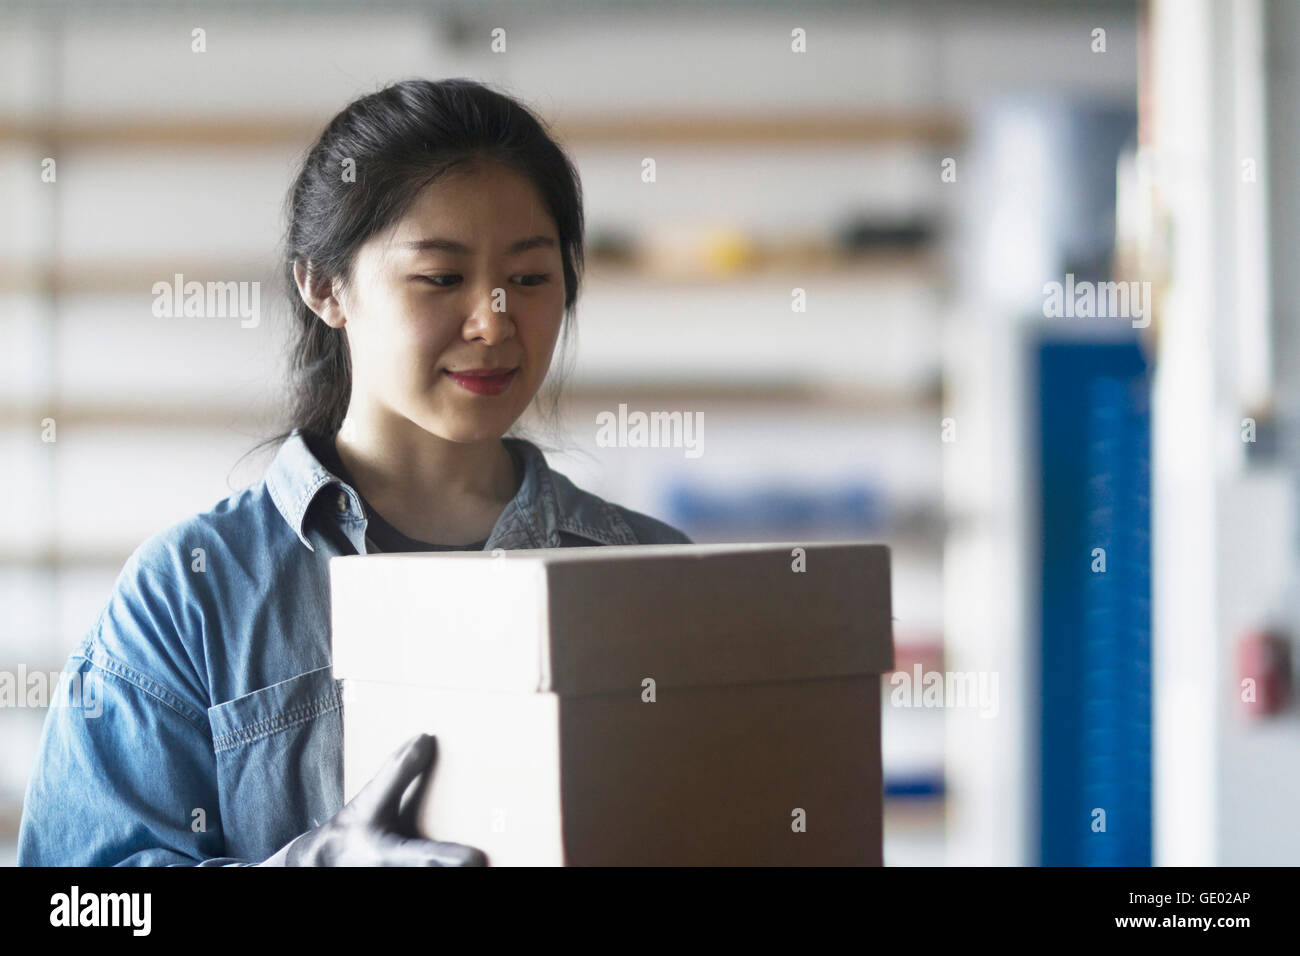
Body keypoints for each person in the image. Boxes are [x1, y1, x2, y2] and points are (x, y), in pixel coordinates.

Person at [17, 77, 691, 866]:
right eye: (441, 277)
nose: (494, 320)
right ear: (324, 286)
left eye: (531, 278)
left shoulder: (651, 573)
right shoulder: (192, 592)